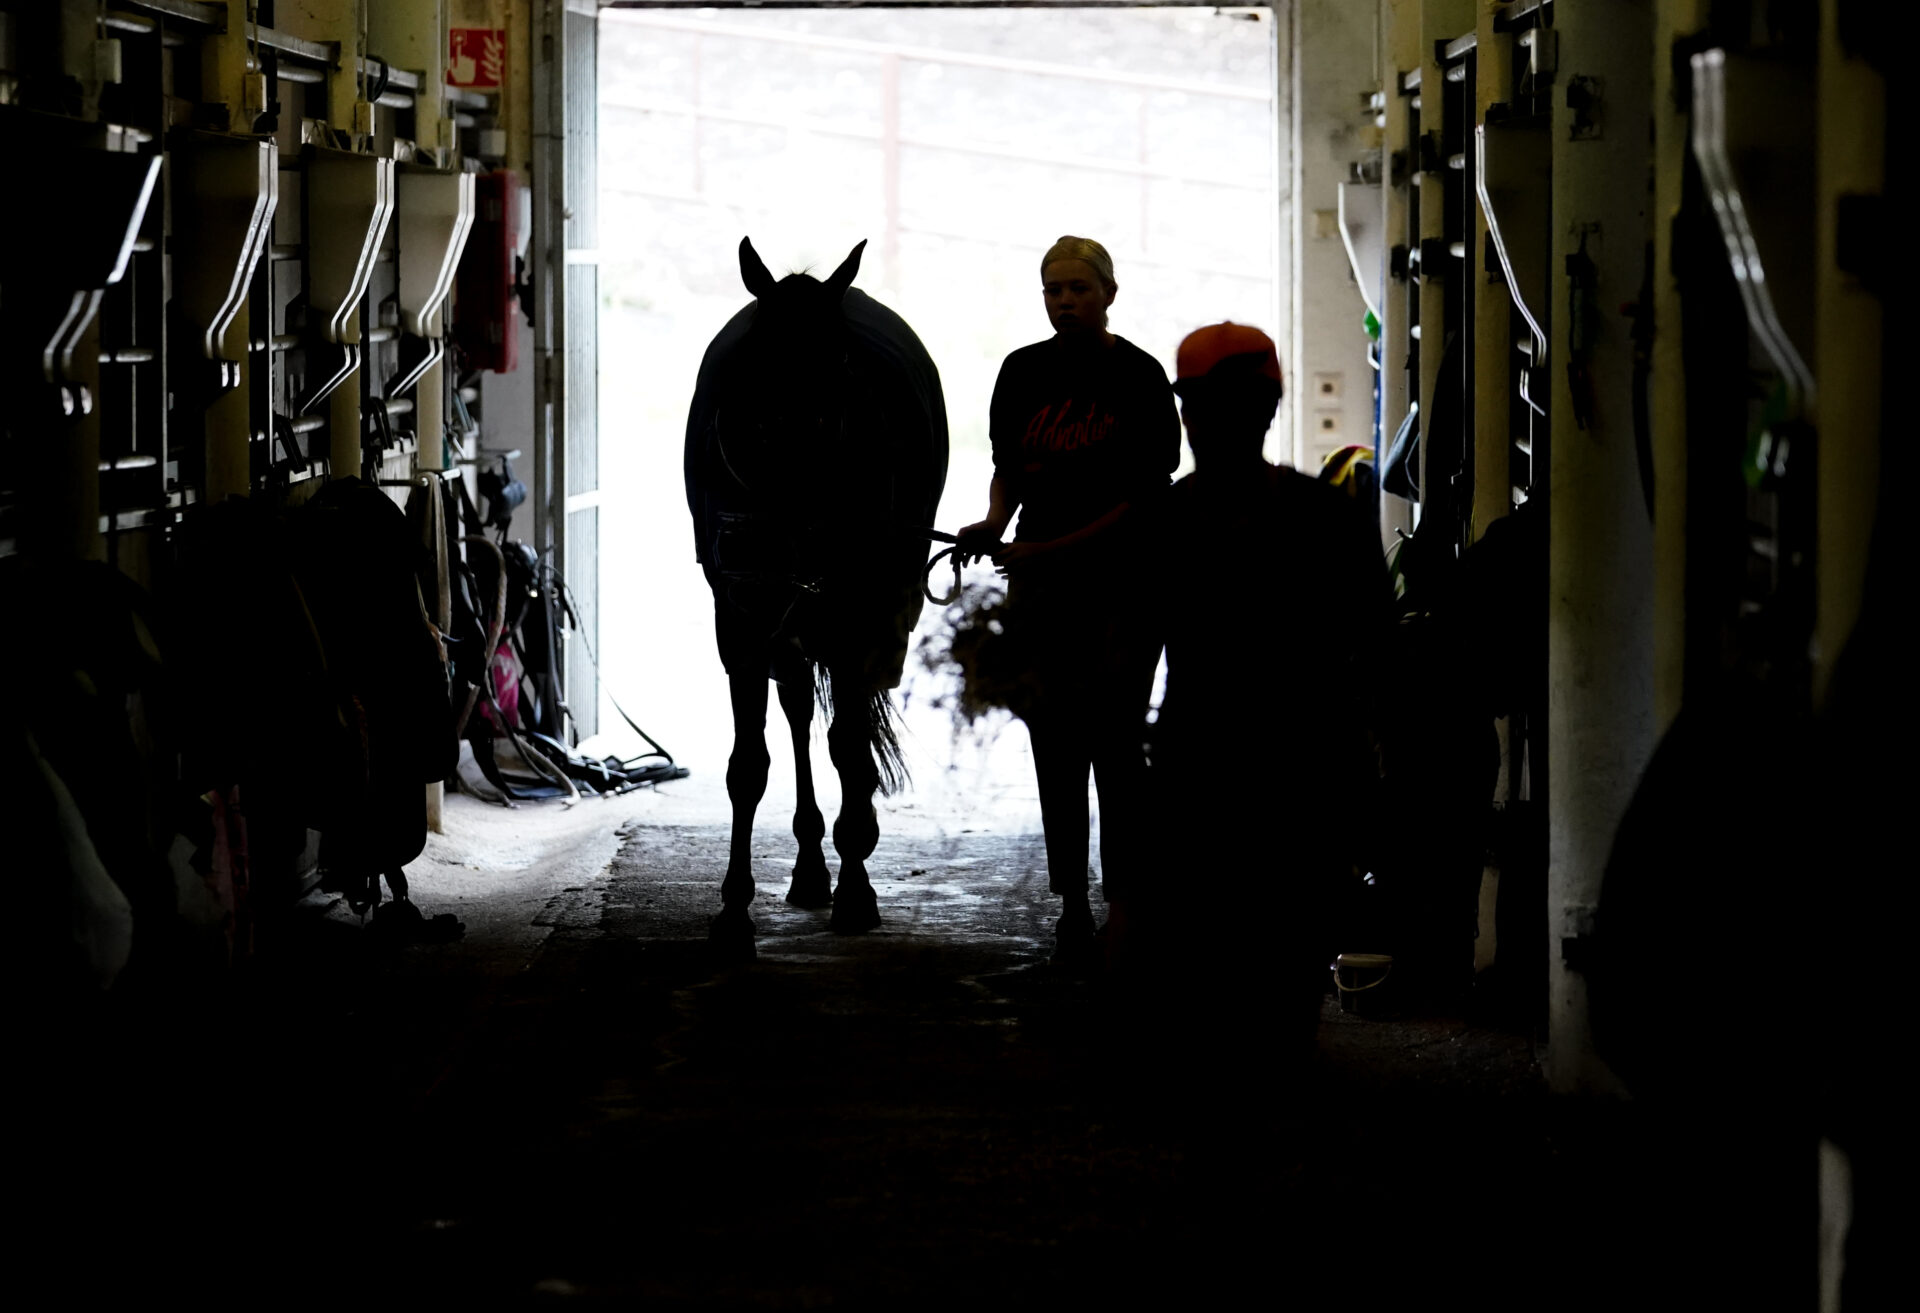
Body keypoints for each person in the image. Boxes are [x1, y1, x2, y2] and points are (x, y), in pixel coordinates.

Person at [1142, 322, 1393, 1049]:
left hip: (1210, 772)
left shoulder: (1167, 522)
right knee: (1284, 973)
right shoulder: (1327, 516)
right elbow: (1377, 652)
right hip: (1302, 774)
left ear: (1189, 414)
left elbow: (1126, 659)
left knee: (1218, 969)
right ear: (1274, 406)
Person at [954, 236, 1180, 964]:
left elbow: (1145, 498)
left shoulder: (1141, 378)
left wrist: (1042, 551)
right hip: (1040, 586)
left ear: (1109, 294)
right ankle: (1074, 902)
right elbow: (1009, 470)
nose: (1065, 301)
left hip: (1123, 586)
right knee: (1054, 743)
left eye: (1079, 288)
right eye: (1053, 289)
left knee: (1115, 744)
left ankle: (1123, 903)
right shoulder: (1021, 372)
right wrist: (993, 520)